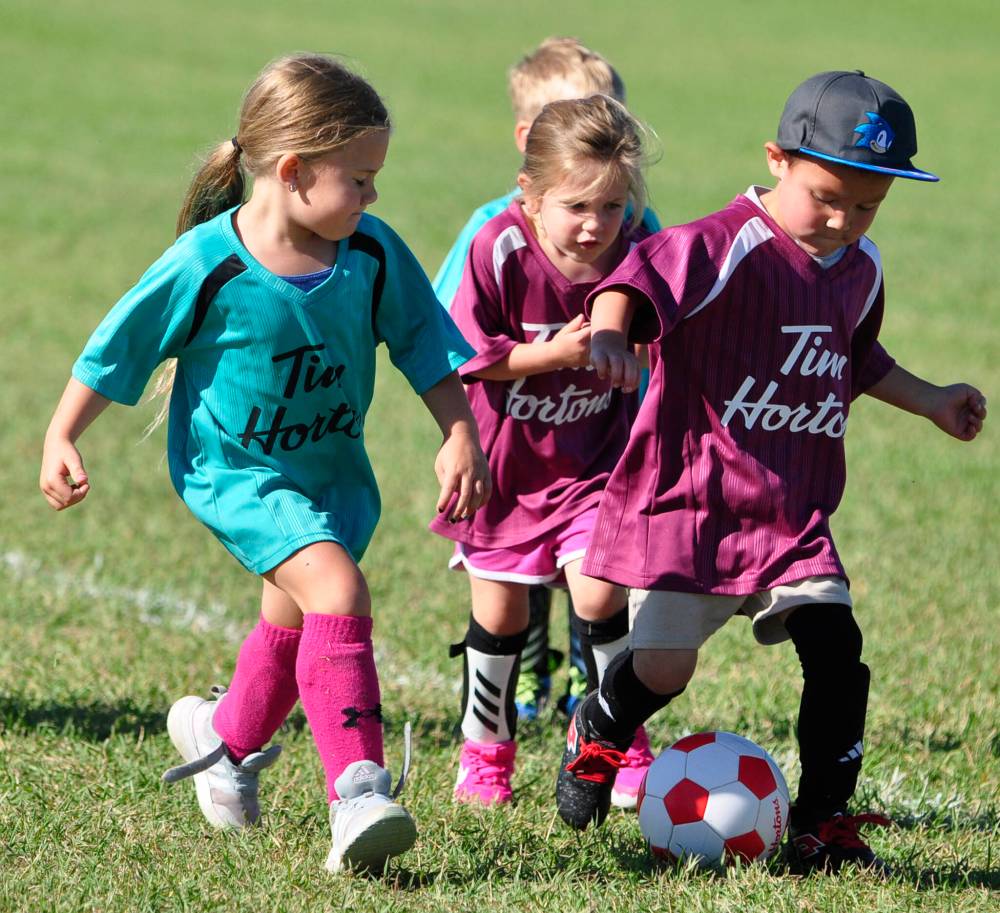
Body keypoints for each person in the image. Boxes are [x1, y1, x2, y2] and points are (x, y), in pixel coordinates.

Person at [39, 53, 491, 875]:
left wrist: (458, 430)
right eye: (359, 178)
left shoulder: (371, 255)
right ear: (292, 172)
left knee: (291, 629)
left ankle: (226, 746)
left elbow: (426, 345)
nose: (373, 196)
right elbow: (118, 349)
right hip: (235, 472)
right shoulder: (206, 264)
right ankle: (357, 790)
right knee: (337, 591)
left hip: (329, 471)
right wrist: (62, 433)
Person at [555, 71, 987, 876]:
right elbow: (630, 280)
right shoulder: (720, 243)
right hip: (696, 506)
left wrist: (930, 400)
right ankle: (604, 724)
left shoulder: (861, 266)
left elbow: (856, 358)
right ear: (777, 159)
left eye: (866, 206)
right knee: (663, 669)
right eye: (826, 195)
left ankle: (823, 823)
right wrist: (612, 333)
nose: (843, 219)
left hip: (793, 512)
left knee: (837, 650)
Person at [431, 94, 655, 808]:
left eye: (613, 207)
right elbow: (462, 355)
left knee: (601, 591)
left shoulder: (636, 244)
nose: (596, 226)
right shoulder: (496, 247)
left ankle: (616, 736)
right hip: (506, 473)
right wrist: (551, 353)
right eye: (577, 207)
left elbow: (669, 321)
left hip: (595, 466)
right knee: (501, 619)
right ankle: (486, 753)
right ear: (530, 194)